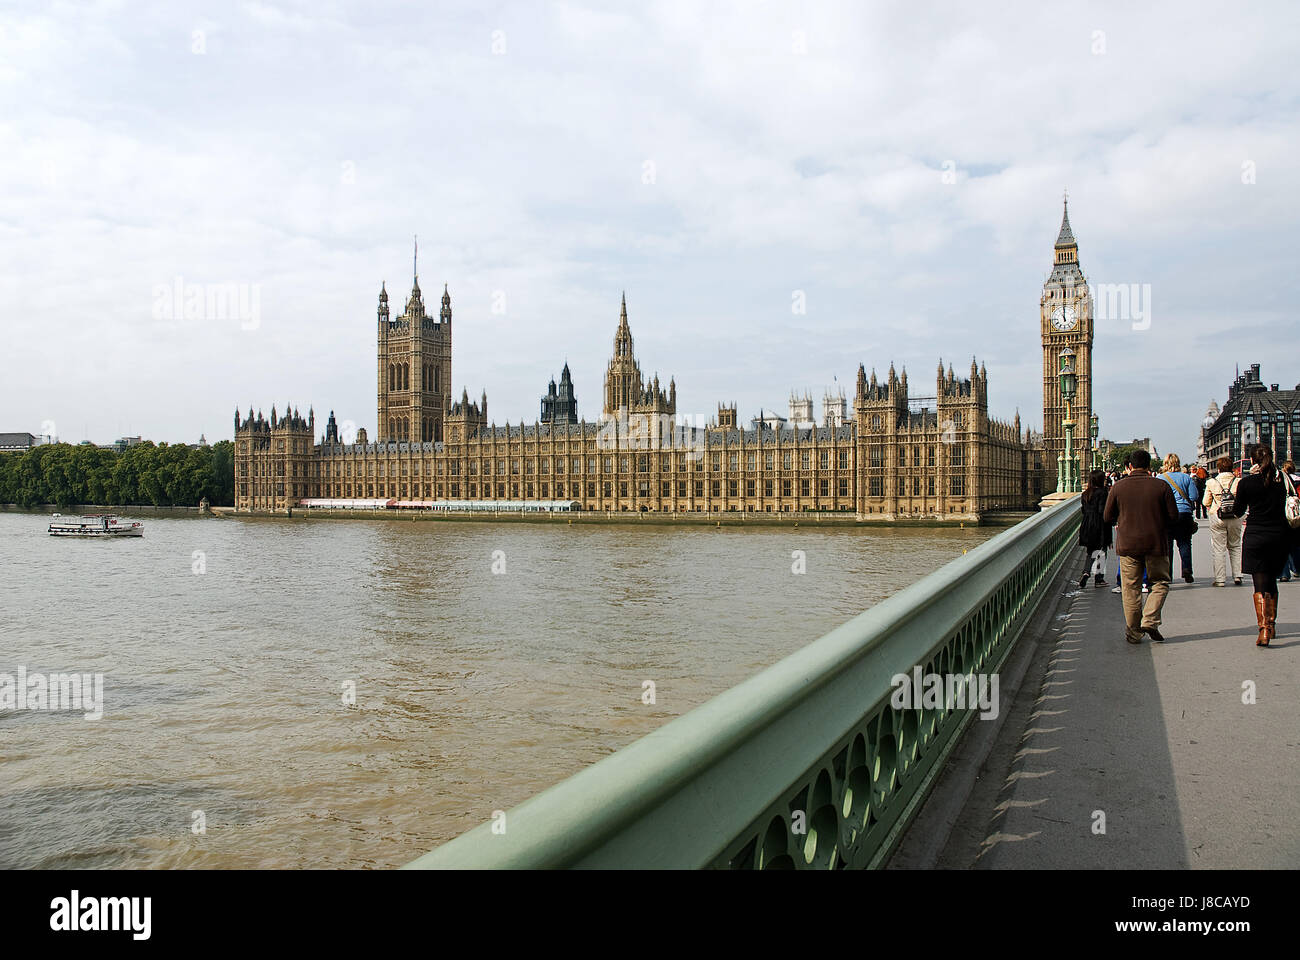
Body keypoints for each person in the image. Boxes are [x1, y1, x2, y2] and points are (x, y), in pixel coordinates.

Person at [1104, 448, 1179, 643]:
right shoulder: (1161, 486)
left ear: (1129, 466)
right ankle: (1150, 619)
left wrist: (1123, 519)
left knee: (1130, 588)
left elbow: (1107, 517)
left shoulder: (1118, 487)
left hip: (1128, 544)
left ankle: (1134, 632)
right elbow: (1173, 517)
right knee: (1160, 583)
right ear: (1148, 466)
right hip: (1156, 543)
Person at [1231, 443, 1296, 646]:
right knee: (1272, 581)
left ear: (1252, 461)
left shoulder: (1246, 483)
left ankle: (1264, 629)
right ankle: (1273, 623)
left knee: (1260, 582)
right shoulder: (1283, 481)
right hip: (1280, 535)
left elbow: (1238, 511)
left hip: (1256, 536)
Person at [1202, 455, 1243, 587]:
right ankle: (1237, 575)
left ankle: (1220, 579)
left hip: (1217, 516)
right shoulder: (1238, 482)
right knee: (1235, 545)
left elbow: (1205, 502)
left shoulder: (1211, 482)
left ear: (1218, 469)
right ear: (1232, 468)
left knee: (1218, 548)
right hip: (1235, 516)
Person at [1158, 453, 1197, 582]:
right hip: (1184, 513)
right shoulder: (1186, 478)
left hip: (1167, 514)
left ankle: (1168, 573)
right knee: (1185, 543)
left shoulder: (1160, 478)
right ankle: (1187, 569)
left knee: (1167, 545)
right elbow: (1194, 496)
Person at [1078, 469, 1113, 588]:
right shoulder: (1103, 493)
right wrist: (1109, 536)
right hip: (1099, 525)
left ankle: (1086, 572)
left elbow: (1083, 511)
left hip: (1087, 525)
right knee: (1101, 552)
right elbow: (1103, 512)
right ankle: (1099, 579)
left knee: (1090, 551)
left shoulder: (1085, 494)